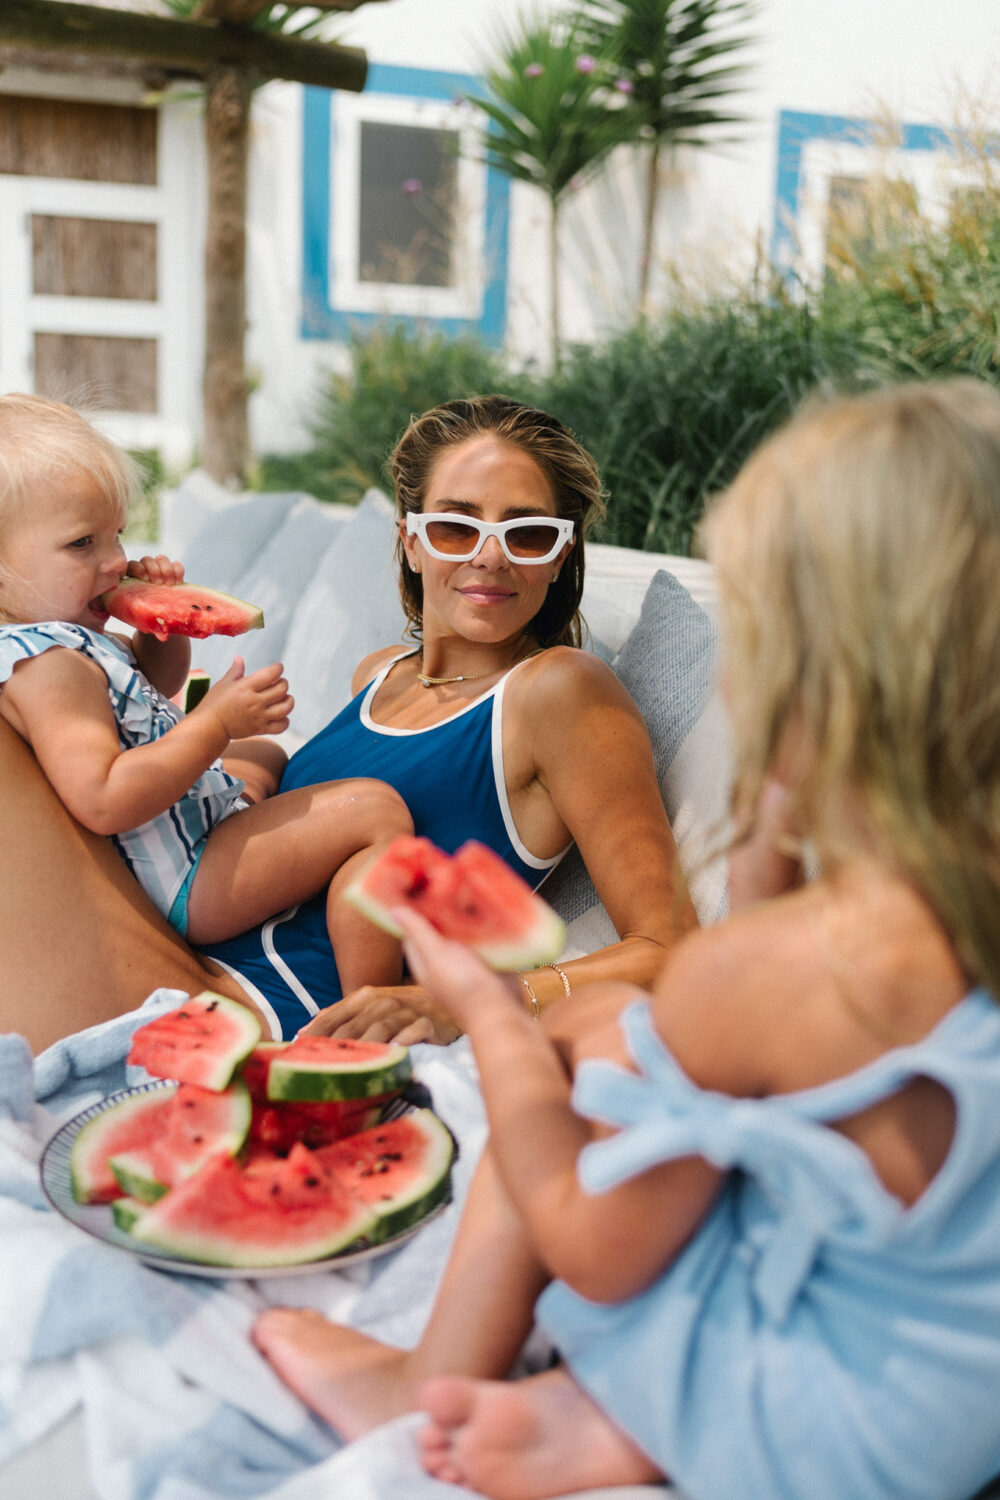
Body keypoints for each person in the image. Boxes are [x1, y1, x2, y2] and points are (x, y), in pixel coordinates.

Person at [253, 379, 1000, 1500]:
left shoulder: (772, 974)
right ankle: (599, 1416)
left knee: (561, 1083)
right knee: (629, 1045)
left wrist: (497, 1019)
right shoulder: (916, 941)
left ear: (814, 686)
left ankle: (453, 1386)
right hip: (951, 1410)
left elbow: (600, 1243)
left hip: (808, 1440)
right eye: (455, 526)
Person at [202, 394, 692, 1042]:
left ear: (560, 557)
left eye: (528, 534)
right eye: (457, 528)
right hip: (189, 954)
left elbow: (670, 947)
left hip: (276, 1017)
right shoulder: (376, 675)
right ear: (411, 541)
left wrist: (466, 1004)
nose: (490, 557)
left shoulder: (561, 693)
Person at [0, 393, 414, 997]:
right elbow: (106, 798)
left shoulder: (66, 639)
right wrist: (215, 723)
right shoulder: (52, 665)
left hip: (191, 833)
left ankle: (289, 849)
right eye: (82, 544)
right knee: (377, 808)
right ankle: (367, 1010)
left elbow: (153, 686)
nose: (117, 561)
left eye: (117, 534)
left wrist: (157, 628)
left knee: (266, 756)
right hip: (187, 878)